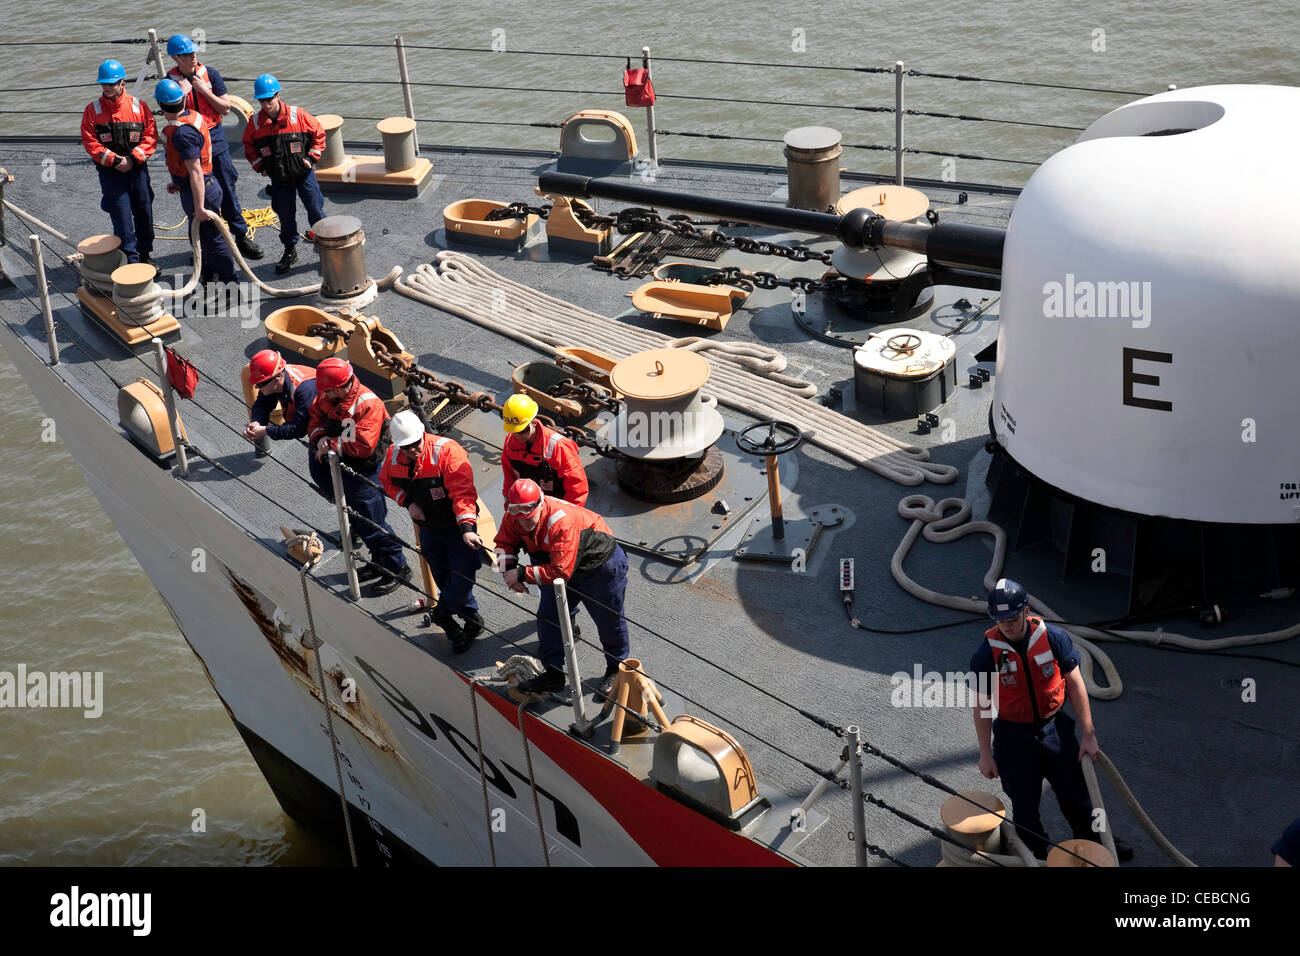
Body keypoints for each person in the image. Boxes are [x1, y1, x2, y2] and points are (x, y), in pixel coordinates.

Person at [970, 578, 1132, 861]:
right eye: (1000, 620)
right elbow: (982, 705)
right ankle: (1033, 853)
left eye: (1012, 617)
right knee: (1024, 806)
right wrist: (985, 754)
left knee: (1079, 798)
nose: (1007, 625)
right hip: (1013, 738)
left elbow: (1076, 684)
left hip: (1055, 727)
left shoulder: (1054, 638)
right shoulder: (986, 655)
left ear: (1026, 611)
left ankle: (1095, 839)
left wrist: (1088, 735)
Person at [494, 478, 629, 698]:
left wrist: (521, 574)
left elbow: (560, 572)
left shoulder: (560, 521)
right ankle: (553, 674)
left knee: (608, 621)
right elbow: (504, 543)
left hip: (599, 568)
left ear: (540, 504)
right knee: (548, 618)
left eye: (529, 518)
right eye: (518, 517)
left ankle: (617, 668)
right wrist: (508, 571)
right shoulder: (515, 516)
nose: (524, 523)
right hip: (556, 566)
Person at [379, 410, 487, 652]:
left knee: (462, 580)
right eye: (405, 447)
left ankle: (442, 615)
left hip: (457, 532)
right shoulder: (394, 456)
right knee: (445, 580)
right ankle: (472, 621)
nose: (412, 451)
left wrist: (468, 528)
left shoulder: (447, 452)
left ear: (423, 436)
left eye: (416, 444)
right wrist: (407, 502)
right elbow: (386, 482)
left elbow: (463, 494)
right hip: (430, 531)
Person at [306, 358, 410, 596]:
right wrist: (319, 436)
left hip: (363, 471)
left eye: (327, 391)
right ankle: (380, 561)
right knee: (355, 517)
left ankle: (397, 567)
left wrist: (330, 443)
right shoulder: (327, 396)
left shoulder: (367, 404)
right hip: (340, 466)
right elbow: (315, 419)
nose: (323, 395)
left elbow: (363, 445)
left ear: (340, 388)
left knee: (372, 522)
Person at [163, 33, 263, 262]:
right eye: (188, 54)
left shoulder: (211, 74)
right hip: (188, 138)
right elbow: (169, 115)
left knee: (226, 186)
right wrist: (183, 94)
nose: (194, 56)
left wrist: (202, 90)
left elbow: (225, 108)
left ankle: (240, 235)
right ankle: (202, 243)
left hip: (214, 136)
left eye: (194, 52)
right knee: (195, 191)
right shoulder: (169, 83)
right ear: (177, 58)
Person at [154, 79, 236, 286]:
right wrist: (179, 184)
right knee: (199, 238)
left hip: (202, 193)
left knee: (213, 241)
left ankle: (231, 283)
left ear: (161, 105)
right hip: (196, 188)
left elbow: (196, 172)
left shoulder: (182, 134)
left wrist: (199, 207)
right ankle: (208, 275)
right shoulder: (193, 116)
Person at [241, 74, 325, 275]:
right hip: (279, 179)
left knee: (315, 208)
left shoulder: (299, 115)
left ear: (278, 95)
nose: (266, 104)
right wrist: (260, 167)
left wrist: (311, 158)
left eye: (269, 99)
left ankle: (325, 247)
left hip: (304, 175)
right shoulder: (255, 123)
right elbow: (249, 148)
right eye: (261, 100)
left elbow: (319, 135)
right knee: (286, 216)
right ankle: (289, 250)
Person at [80, 59, 156, 264]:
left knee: (144, 211)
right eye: (104, 84)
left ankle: (145, 254)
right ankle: (130, 259)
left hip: (137, 171)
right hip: (110, 174)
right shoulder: (92, 111)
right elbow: (90, 143)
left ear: (122, 83)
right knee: (121, 217)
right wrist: (115, 161)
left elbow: (150, 136)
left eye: (112, 84)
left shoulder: (139, 107)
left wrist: (132, 159)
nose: (108, 88)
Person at [500, 394, 589, 507]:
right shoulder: (510, 444)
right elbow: (509, 478)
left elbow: (577, 488)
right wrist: (510, 504)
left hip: (556, 506)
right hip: (528, 508)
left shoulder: (559, 447)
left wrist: (565, 516)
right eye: (514, 431)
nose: (517, 435)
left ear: (534, 422)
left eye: (523, 430)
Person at [243, 350, 316, 455]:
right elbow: (262, 404)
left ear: (276, 381)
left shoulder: (304, 392)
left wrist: (265, 430)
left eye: (259, 384)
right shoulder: (274, 378)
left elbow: (298, 429)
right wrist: (256, 423)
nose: (256, 387)